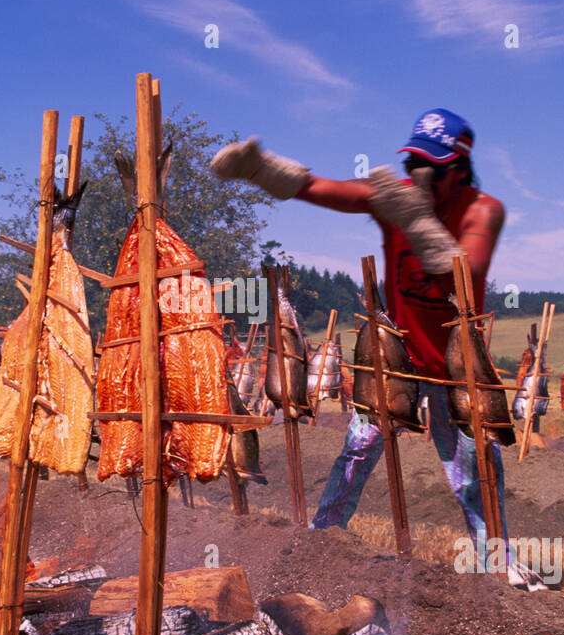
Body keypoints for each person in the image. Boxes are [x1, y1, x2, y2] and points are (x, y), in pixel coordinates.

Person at [212, 109, 545, 589]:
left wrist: (416, 222)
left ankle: (497, 562)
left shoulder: (482, 209)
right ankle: (320, 542)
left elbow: (464, 272)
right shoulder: (398, 199)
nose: (420, 178)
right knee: (358, 449)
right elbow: (322, 189)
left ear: (460, 168)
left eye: (433, 168)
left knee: (474, 469)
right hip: (396, 358)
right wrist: (261, 169)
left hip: (455, 365)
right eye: (414, 167)